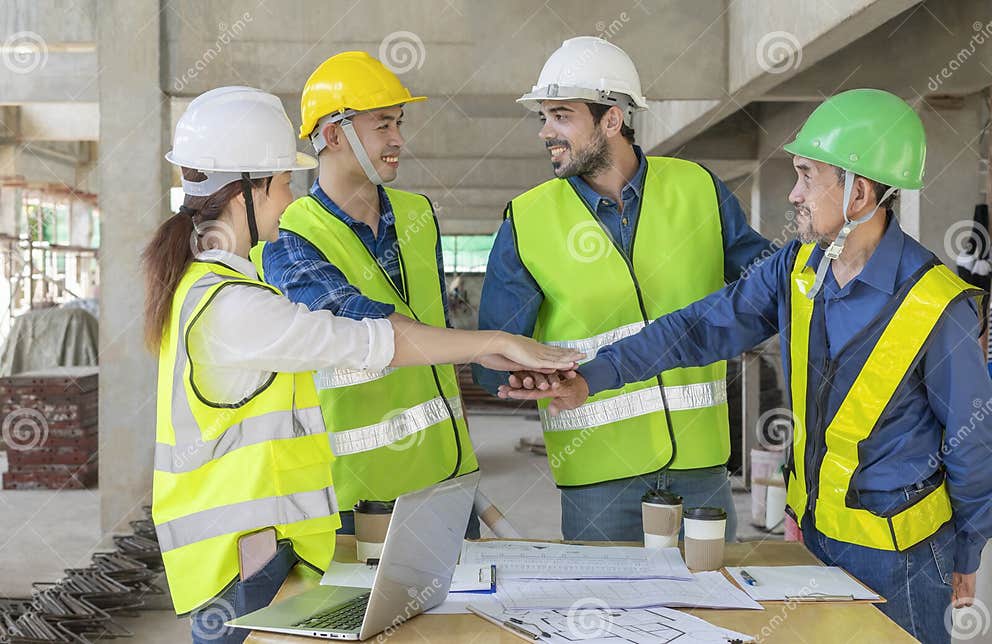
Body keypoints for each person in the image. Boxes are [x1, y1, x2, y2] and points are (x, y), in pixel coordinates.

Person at [502, 89, 992, 643]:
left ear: (857, 192)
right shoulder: (796, 270)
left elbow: (972, 445)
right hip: (813, 540)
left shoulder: (939, 306)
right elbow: (698, 328)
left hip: (903, 560)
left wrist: (968, 549)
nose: (794, 193)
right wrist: (593, 376)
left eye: (807, 176)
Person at [144, 86, 582, 644]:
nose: (286, 202)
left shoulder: (214, 287)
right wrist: (486, 343)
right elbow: (358, 341)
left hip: (263, 558)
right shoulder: (230, 306)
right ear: (245, 192)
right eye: (280, 185)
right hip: (243, 571)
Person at [473, 36, 772, 542]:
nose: (547, 132)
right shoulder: (526, 220)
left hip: (701, 470)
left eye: (562, 115)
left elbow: (768, 287)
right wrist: (525, 374)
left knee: (716, 608)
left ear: (611, 119)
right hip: (597, 480)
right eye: (544, 117)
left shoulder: (699, 189)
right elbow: (489, 360)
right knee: (608, 618)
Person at [254, 52, 490, 536]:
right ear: (334, 134)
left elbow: (435, 330)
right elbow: (368, 328)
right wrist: (493, 344)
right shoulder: (290, 233)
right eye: (383, 124)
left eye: (399, 123)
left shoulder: (416, 214)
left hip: (449, 474)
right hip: (356, 497)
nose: (399, 139)